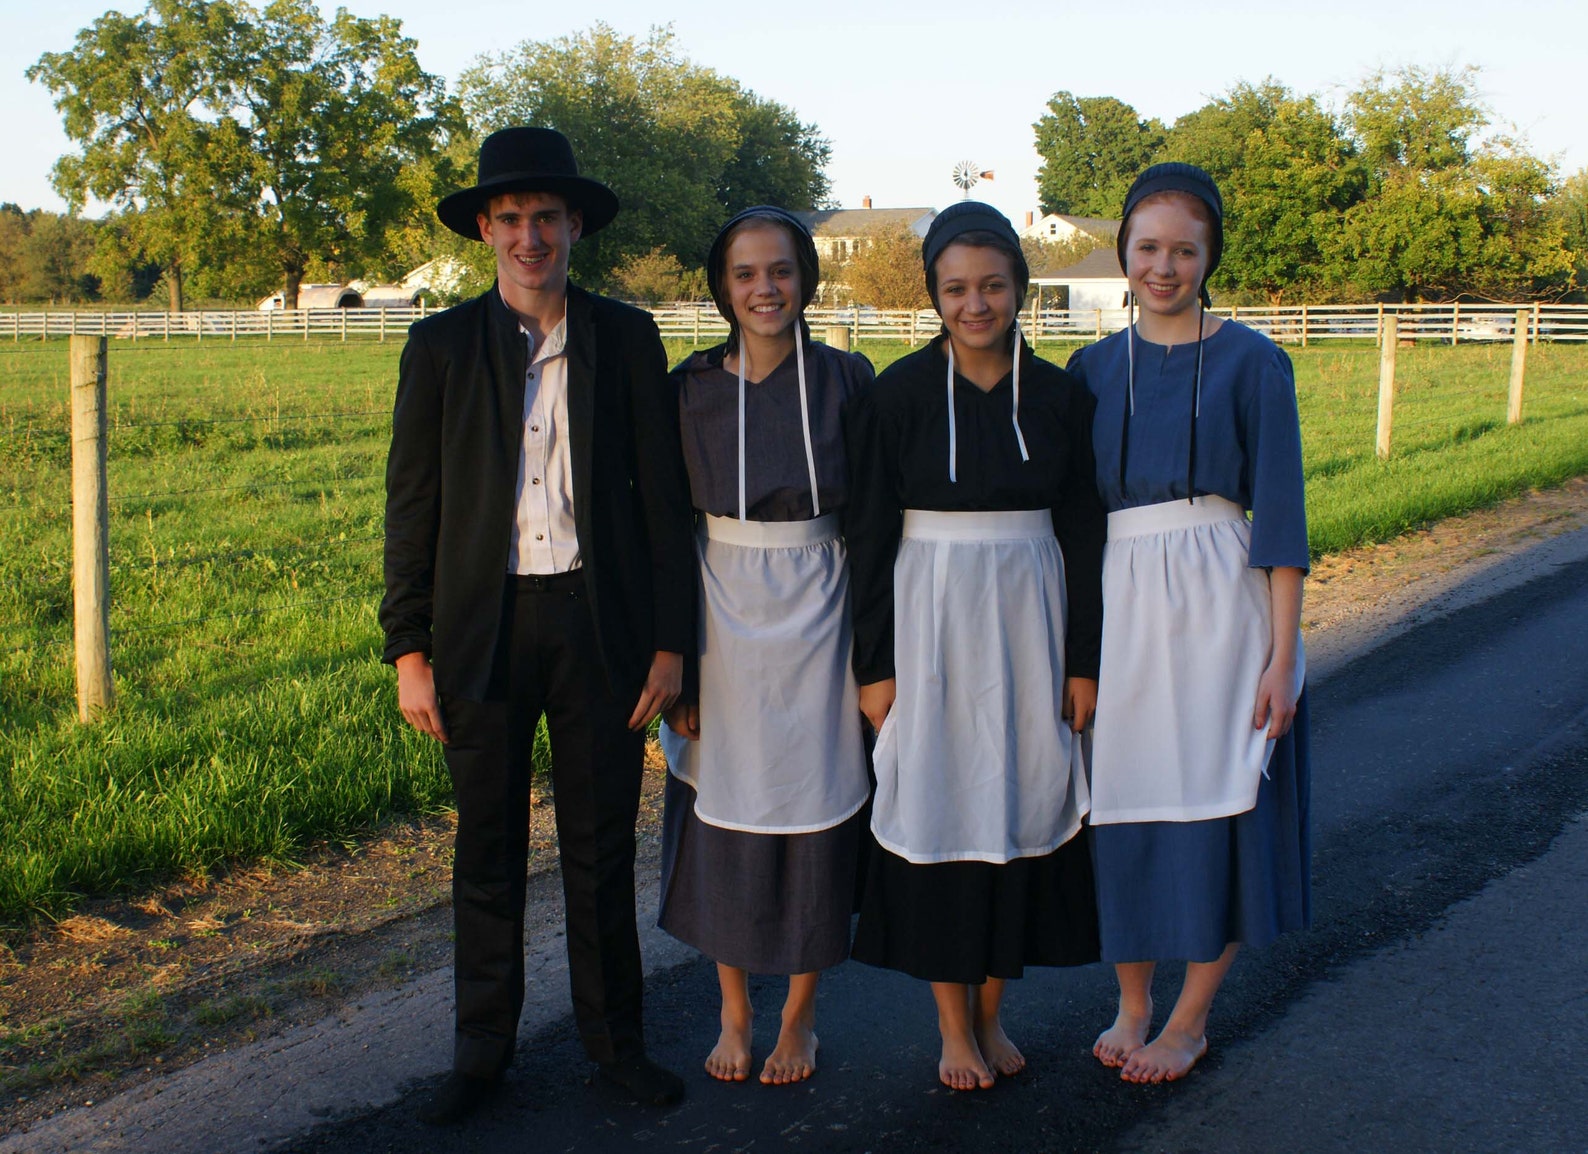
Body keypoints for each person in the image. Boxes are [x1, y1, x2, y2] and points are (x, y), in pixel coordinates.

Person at [381, 126, 696, 1123]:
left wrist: (670, 640)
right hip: (482, 631)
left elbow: (662, 502)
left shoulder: (625, 338)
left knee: (600, 849)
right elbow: (412, 505)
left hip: (597, 629)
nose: (530, 237)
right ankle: (482, 1051)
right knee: (486, 850)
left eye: (546, 219)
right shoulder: (438, 346)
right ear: (486, 229)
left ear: (574, 230)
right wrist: (408, 648)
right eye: (510, 219)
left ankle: (615, 1045)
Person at [844, 202, 1105, 1091]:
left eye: (993, 285)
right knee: (940, 804)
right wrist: (872, 667)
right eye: (956, 288)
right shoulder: (898, 395)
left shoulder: (1065, 396)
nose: (975, 303)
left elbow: (1083, 532)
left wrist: (1083, 660)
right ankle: (953, 1028)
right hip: (929, 623)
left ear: (1021, 289)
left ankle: (993, 1016)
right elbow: (869, 539)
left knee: (1020, 805)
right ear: (934, 295)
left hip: (1032, 621)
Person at [1066, 162, 1311, 1085]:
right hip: (1119, 609)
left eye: (1184, 250)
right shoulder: (1088, 370)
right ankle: (1131, 1003)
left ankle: (1190, 1018)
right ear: (1124, 254)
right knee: (1121, 803)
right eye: (1147, 248)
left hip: (1221, 606)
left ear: (1209, 258)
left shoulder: (1255, 362)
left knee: (1222, 803)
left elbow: (1280, 519)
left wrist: (1283, 658)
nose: (1162, 267)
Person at [657, 206, 873, 1086]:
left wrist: (877, 658)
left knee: (815, 809)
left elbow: (875, 520)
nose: (764, 289)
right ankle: (734, 1009)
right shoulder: (691, 388)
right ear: (722, 288)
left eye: (780, 270)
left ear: (806, 279)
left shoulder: (848, 380)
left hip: (825, 609)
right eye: (745, 274)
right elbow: (666, 530)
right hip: (721, 613)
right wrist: (675, 663)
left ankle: (800, 1017)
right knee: (730, 810)